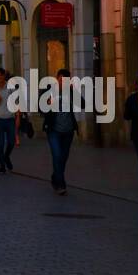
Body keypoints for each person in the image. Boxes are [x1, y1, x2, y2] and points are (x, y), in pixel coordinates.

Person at [43, 68, 80, 196]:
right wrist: (47, 103)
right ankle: (60, 184)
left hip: (68, 131)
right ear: (56, 78)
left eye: (65, 80)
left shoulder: (70, 92)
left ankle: (55, 177)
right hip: (54, 131)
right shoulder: (49, 90)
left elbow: (83, 104)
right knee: (57, 155)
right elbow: (40, 107)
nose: (62, 82)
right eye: (61, 79)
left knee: (63, 158)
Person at [0, 66, 17, 174]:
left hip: (10, 119)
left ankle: (6, 157)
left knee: (11, 142)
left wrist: (18, 117)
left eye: (1, 75)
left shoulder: (11, 89)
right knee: (0, 143)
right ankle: (2, 166)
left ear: (4, 76)